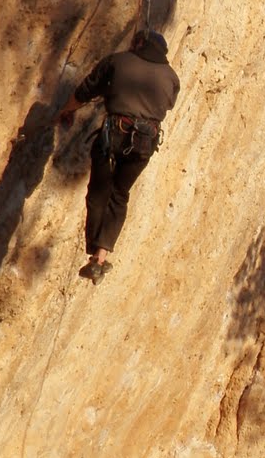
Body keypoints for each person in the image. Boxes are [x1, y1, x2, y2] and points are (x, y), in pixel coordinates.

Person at [59, 28, 180, 281]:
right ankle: (101, 255)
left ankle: (94, 251)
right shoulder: (171, 77)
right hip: (145, 142)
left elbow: (87, 90)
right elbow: (168, 104)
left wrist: (66, 110)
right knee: (119, 194)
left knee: (99, 190)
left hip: (115, 133)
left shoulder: (118, 61)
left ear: (138, 43)